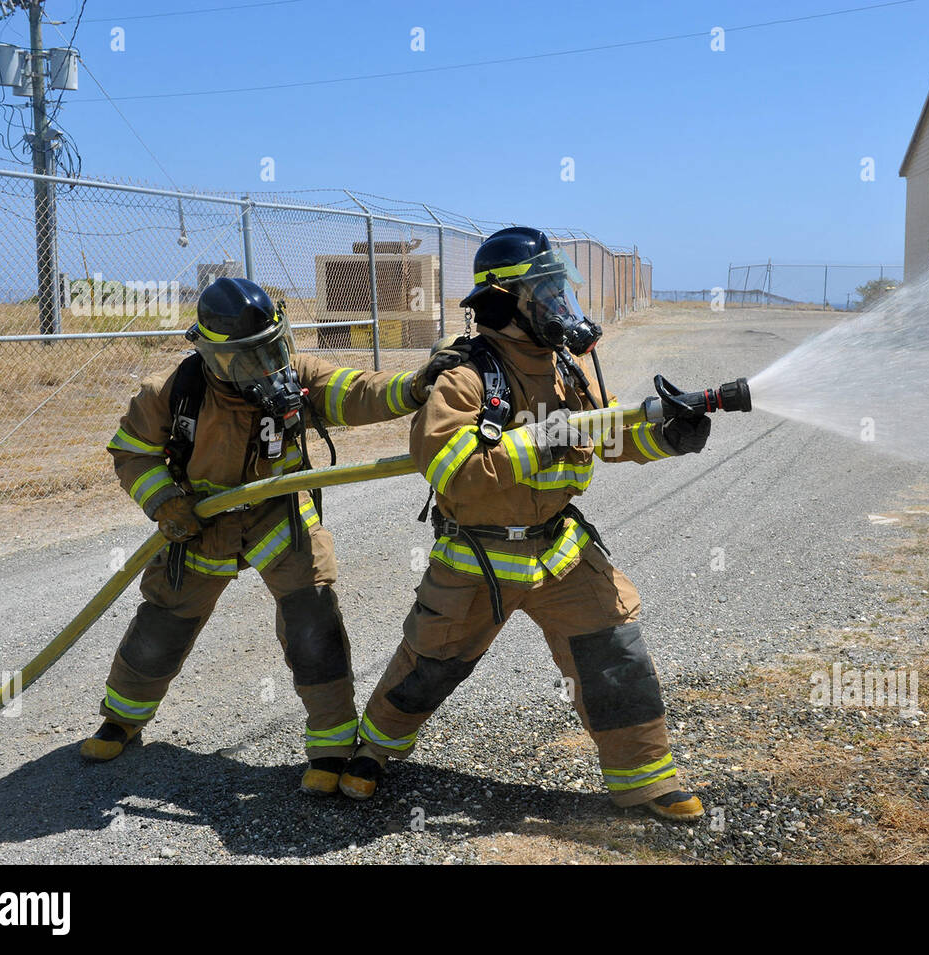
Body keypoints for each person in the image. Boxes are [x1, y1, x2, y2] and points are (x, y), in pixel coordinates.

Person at [339, 227, 712, 820]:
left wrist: (667, 436)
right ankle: (374, 751)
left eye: (560, 288)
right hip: (478, 558)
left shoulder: (562, 365)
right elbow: (450, 468)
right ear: (508, 302)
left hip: (561, 550)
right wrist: (541, 439)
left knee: (614, 654)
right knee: (429, 665)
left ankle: (645, 780)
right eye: (546, 290)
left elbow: (602, 432)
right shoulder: (465, 377)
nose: (560, 304)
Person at [80, 277, 467, 795]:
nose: (264, 367)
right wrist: (166, 503)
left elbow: (356, 393)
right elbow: (132, 451)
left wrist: (417, 385)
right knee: (165, 622)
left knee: (313, 622)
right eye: (244, 357)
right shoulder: (170, 392)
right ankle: (122, 718)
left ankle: (330, 745)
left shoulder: (298, 377)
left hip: (278, 516)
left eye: (271, 349)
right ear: (210, 353)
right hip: (201, 523)